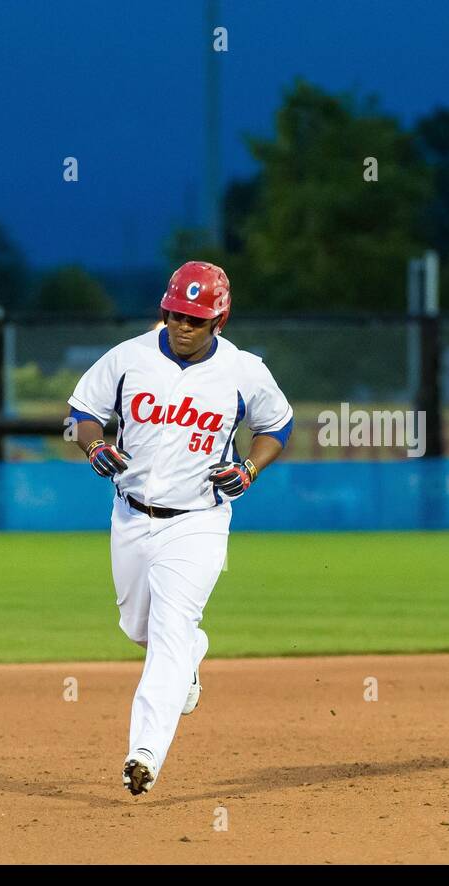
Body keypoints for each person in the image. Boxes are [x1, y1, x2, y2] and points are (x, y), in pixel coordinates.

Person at [64, 261, 293, 796]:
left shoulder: (243, 370)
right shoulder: (129, 357)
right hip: (130, 514)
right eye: (175, 314)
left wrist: (250, 468)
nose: (183, 326)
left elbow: (278, 424)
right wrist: (94, 444)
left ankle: (144, 753)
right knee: (139, 630)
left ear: (219, 319)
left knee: (167, 635)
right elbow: (79, 412)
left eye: (195, 318)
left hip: (198, 522)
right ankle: (192, 654)